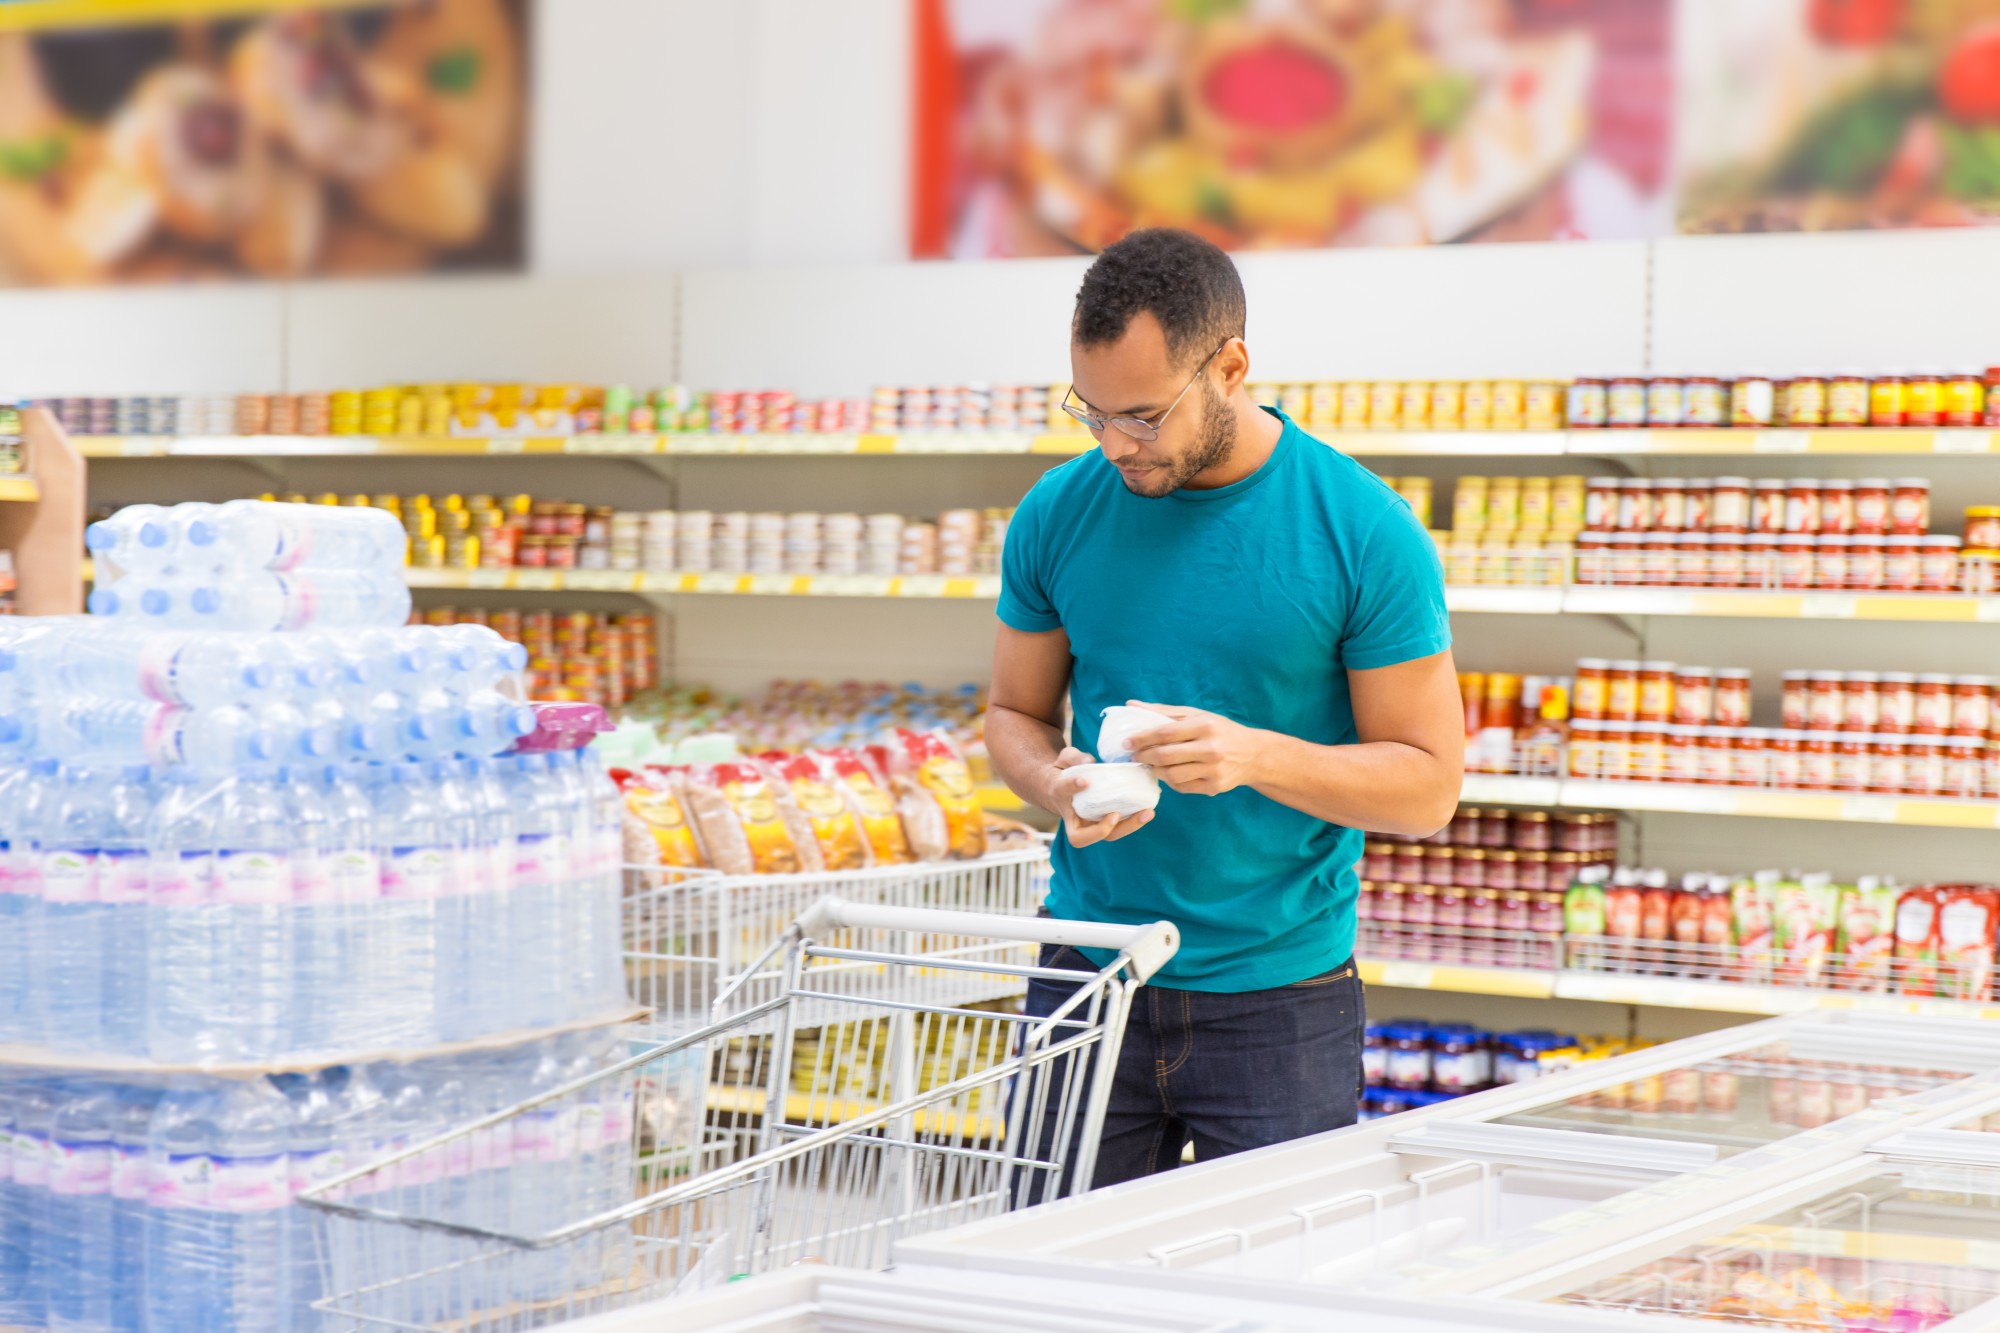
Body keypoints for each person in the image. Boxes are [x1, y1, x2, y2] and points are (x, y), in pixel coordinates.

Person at [988, 227, 1462, 1190]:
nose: (1117, 442)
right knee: (1044, 1294)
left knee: (1270, 1294)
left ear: (1232, 365)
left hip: (1278, 997)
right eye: (1094, 412)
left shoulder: (1363, 531)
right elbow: (1011, 711)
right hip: (1088, 975)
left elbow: (1427, 786)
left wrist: (1255, 757)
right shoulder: (1055, 511)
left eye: (1146, 415)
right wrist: (1054, 779)